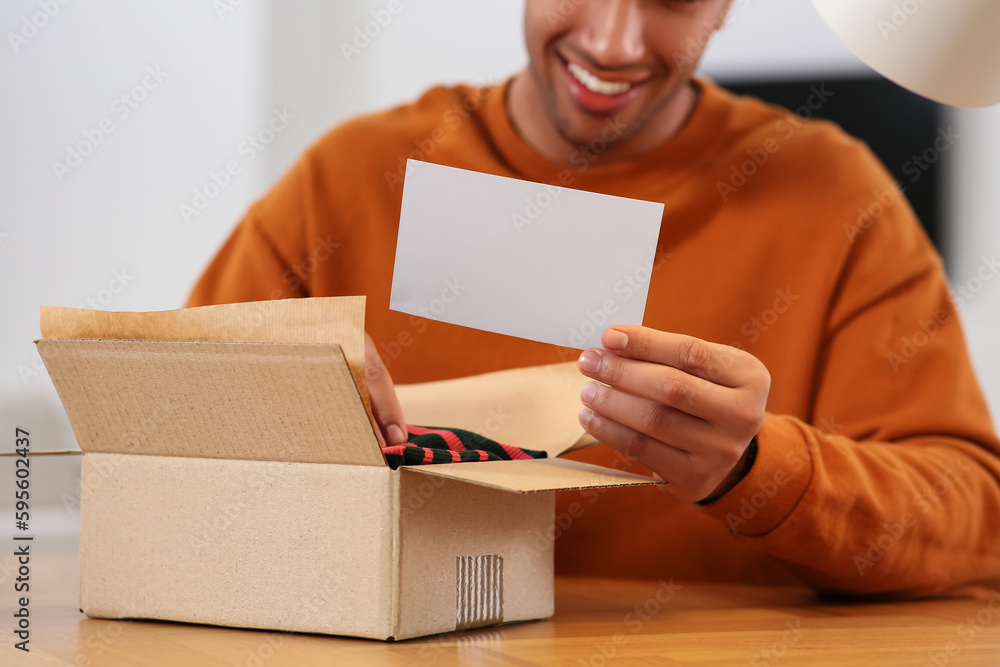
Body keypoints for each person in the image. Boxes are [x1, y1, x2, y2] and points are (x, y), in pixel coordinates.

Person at [188, 0, 1000, 597]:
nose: (614, 42)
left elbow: (969, 513)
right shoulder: (352, 178)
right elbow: (160, 437)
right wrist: (277, 411)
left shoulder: (833, 197)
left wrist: (757, 467)